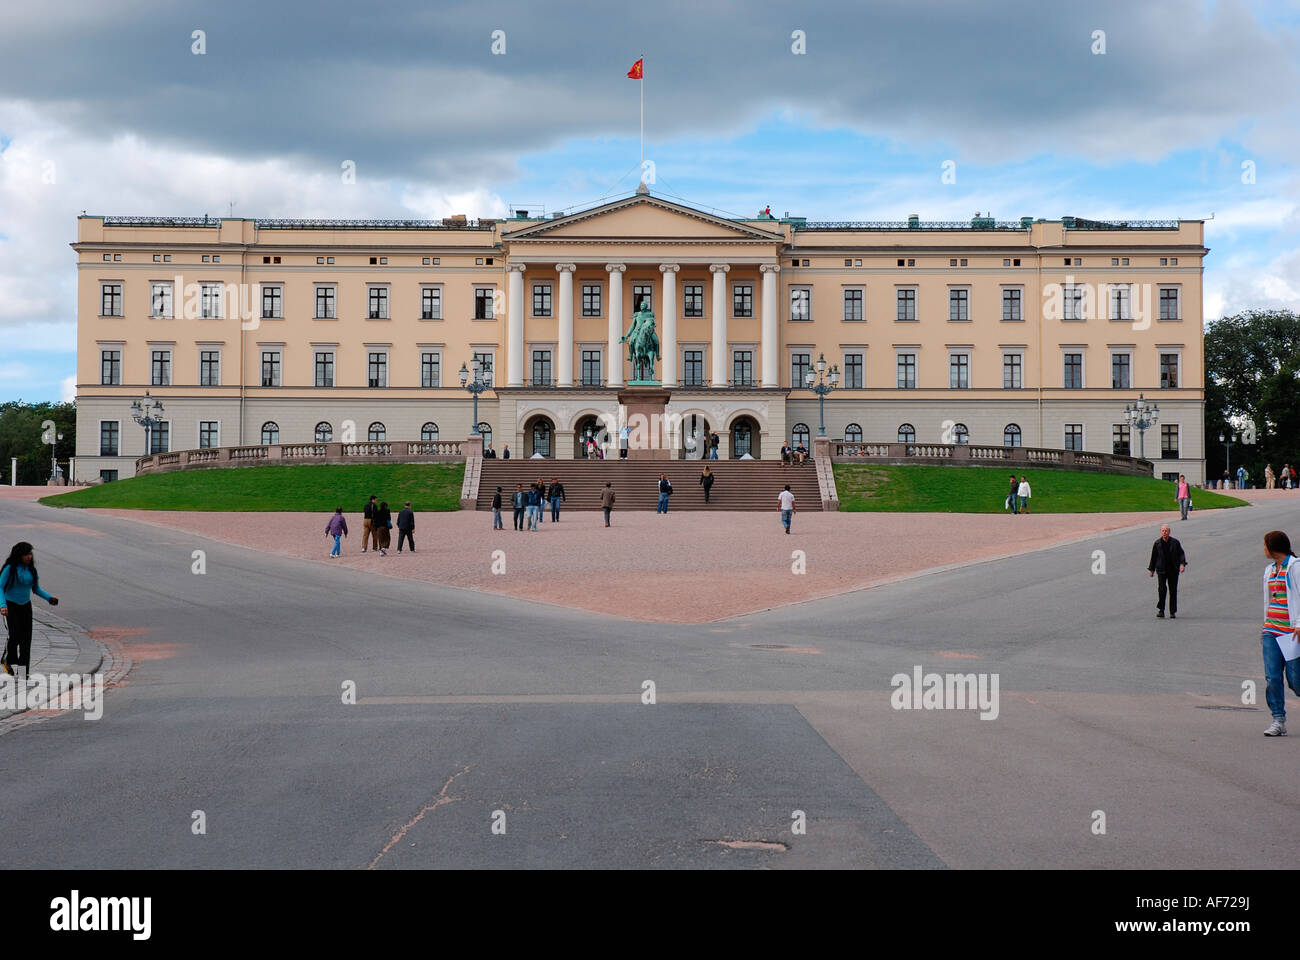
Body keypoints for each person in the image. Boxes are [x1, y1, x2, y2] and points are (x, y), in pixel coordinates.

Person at [1260, 530, 1300, 736]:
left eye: (1265, 545)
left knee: (1295, 680)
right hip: (1271, 630)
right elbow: (1268, 600)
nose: (1263, 549)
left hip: (1291, 633)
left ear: (1273, 547)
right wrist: (1265, 625)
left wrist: (1299, 624)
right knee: (1272, 677)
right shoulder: (1269, 570)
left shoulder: (1295, 567)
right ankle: (1278, 720)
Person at [0, 542, 59, 679]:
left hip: (25, 606)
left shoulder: (32, 570)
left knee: (26, 640)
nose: (29, 557)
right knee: (14, 635)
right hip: (10, 606)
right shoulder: (9, 569)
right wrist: (3, 605)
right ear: (19, 555)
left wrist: (49, 598)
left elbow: (36, 589)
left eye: (30, 554)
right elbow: (0, 587)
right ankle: (7, 660)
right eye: (26, 554)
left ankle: (23, 673)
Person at [1147, 524, 1187, 619]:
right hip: (1161, 570)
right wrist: (1152, 570)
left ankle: (1172, 611)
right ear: (1161, 532)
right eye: (1163, 531)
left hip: (1173, 570)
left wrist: (1182, 564)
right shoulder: (1157, 543)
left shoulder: (1175, 542)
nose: (1164, 532)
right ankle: (1161, 610)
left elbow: (1181, 554)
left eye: (1166, 531)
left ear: (1169, 532)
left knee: (1173, 590)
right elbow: (1154, 557)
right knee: (1161, 589)